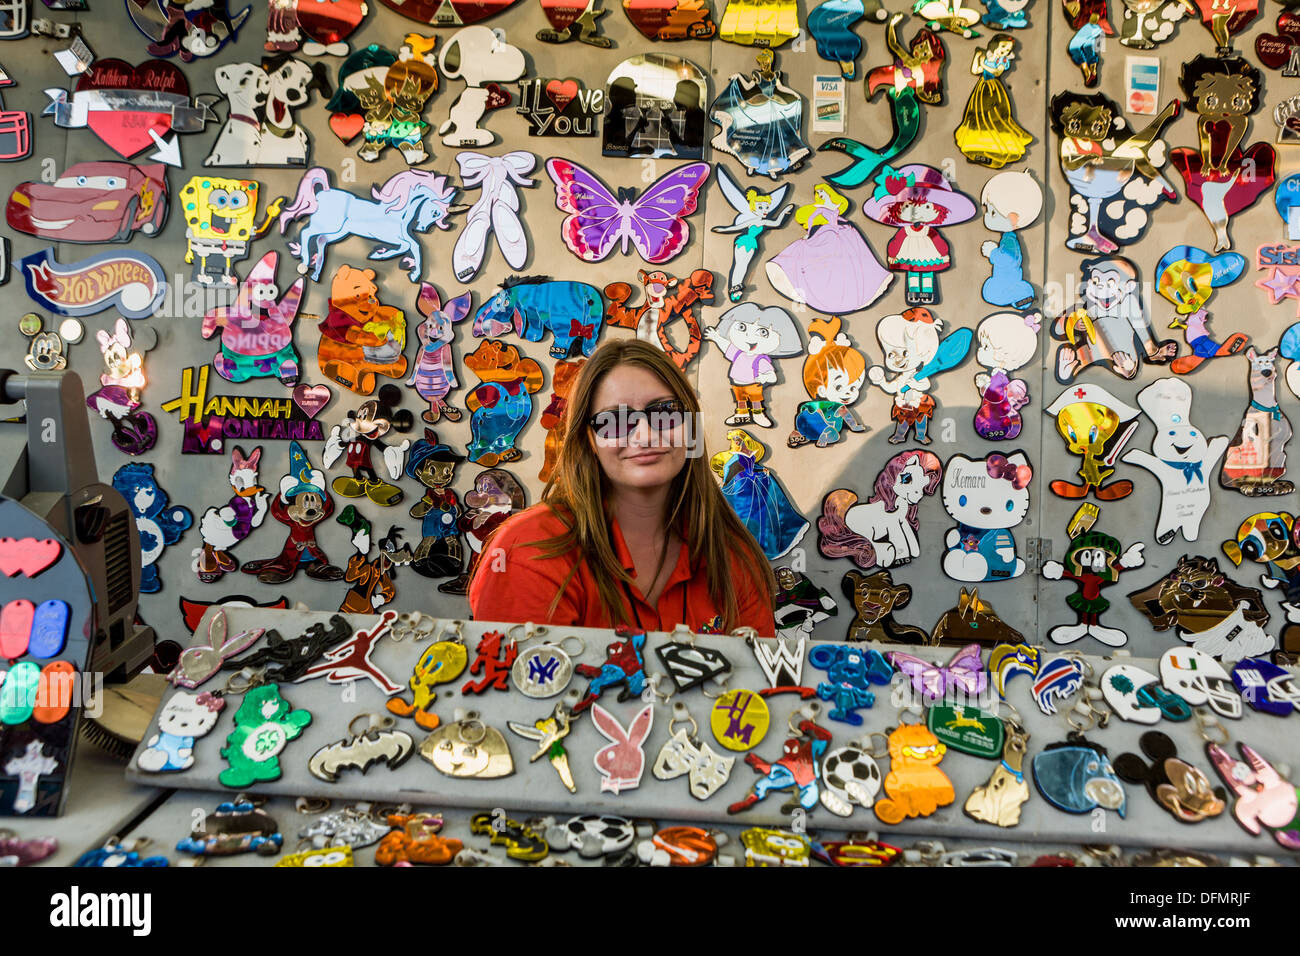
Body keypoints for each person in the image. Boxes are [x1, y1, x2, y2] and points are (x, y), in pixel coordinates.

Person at [468, 339, 776, 635]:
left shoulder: (732, 554)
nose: (645, 435)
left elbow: (754, 685)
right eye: (615, 420)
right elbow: (528, 686)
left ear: (690, 429)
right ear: (588, 440)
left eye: (666, 412)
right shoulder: (527, 550)